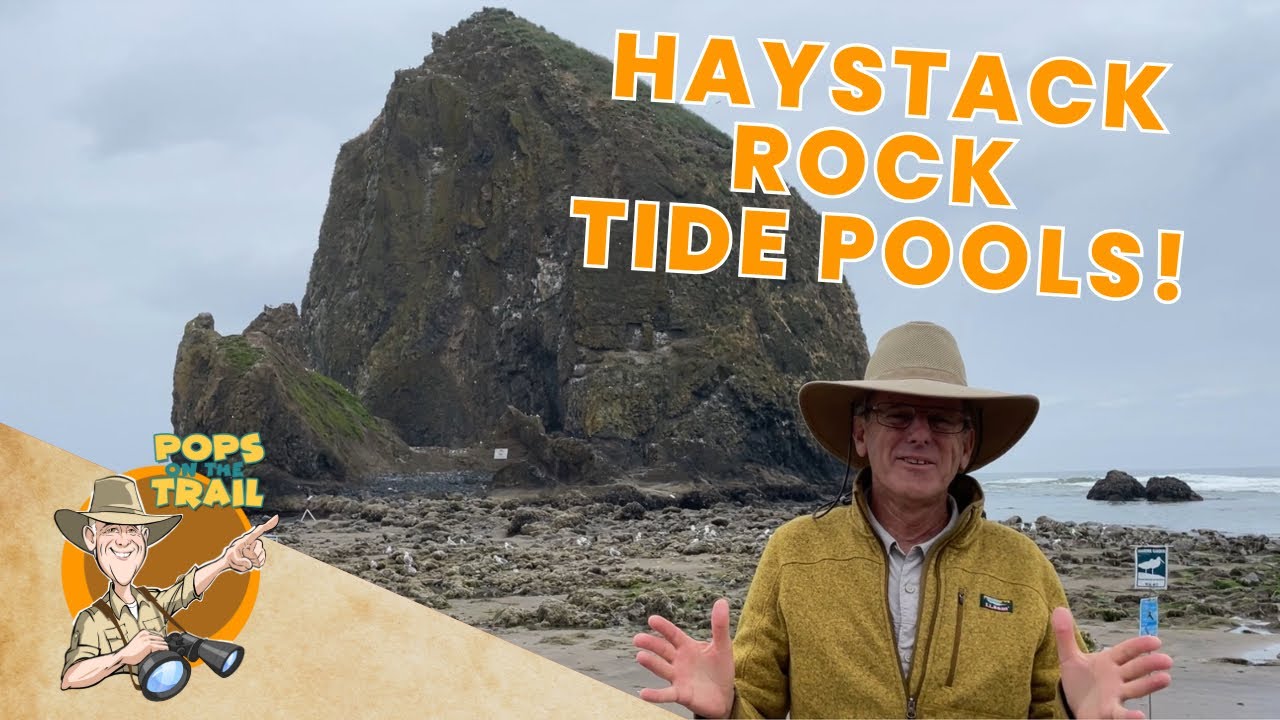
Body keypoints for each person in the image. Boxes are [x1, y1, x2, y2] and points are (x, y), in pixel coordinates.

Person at [633, 321, 1172, 718]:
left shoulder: (1022, 568)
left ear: (967, 446)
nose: (920, 434)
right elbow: (759, 709)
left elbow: (1056, 705)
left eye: (942, 420)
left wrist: (1077, 712)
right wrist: (725, 708)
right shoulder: (795, 554)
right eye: (897, 414)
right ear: (862, 435)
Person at [55, 473, 278, 691]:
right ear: (91, 538)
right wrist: (122, 656)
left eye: (132, 530)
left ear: (143, 537)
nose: (123, 541)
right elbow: (70, 678)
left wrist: (225, 561)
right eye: (111, 529)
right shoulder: (92, 619)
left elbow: (185, 589)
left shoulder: (151, 600)